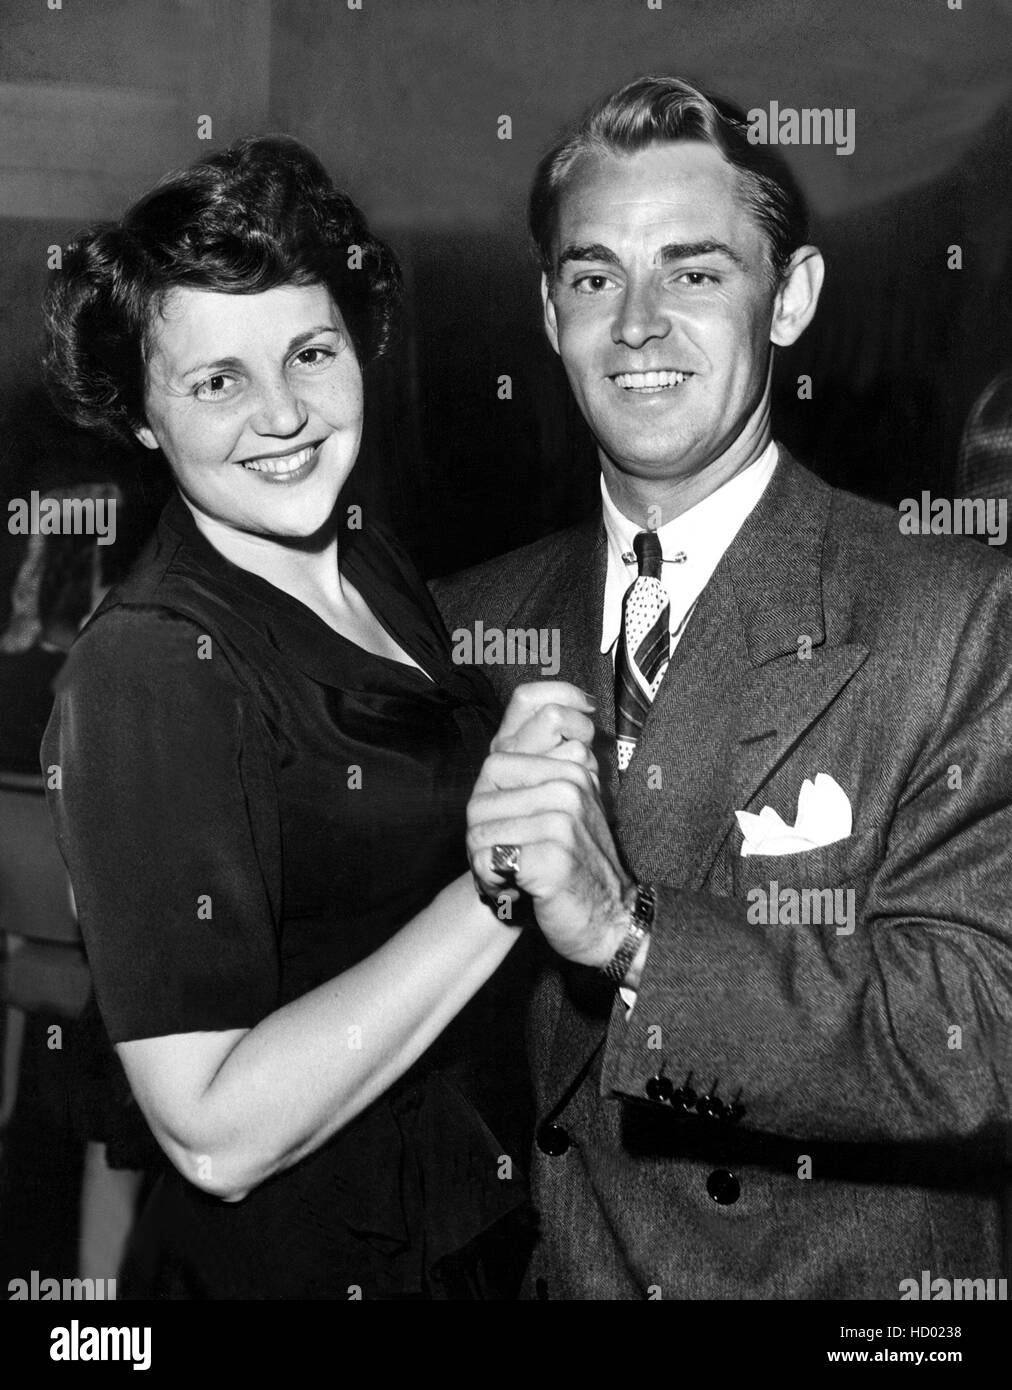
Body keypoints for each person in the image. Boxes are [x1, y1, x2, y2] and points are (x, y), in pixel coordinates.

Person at [437, 76, 1012, 1299]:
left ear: (790, 297)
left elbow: (980, 1040)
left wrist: (635, 934)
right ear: (548, 313)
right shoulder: (467, 624)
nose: (638, 323)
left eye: (694, 272)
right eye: (594, 277)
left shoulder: (953, 611)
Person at [40, 134, 594, 1299]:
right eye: (216, 381)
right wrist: (499, 882)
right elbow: (211, 1132)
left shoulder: (363, 557)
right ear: (143, 418)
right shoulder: (148, 668)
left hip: (460, 1232)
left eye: (310, 351)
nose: (284, 414)